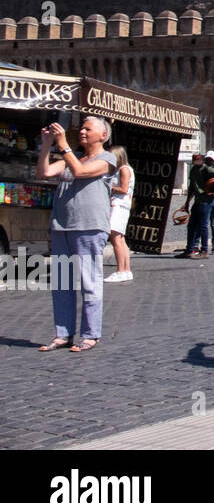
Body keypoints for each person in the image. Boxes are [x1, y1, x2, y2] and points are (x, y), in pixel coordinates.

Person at [37, 117, 117, 353]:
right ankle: (63, 334)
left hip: (89, 227)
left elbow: (81, 172)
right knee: (62, 284)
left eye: (87, 128)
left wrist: (63, 144)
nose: (82, 131)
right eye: (81, 127)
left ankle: (91, 334)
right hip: (62, 226)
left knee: (89, 282)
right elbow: (44, 172)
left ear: (103, 135)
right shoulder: (71, 158)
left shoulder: (107, 159)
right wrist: (46, 144)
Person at [181, 152, 214, 259]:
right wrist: (187, 203)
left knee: (203, 226)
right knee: (191, 225)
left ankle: (204, 250)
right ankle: (189, 250)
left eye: (199, 159)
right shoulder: (194, 170)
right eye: (195, 160)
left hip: (206, 201)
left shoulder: (207, 169)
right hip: (198, 201)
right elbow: (191, 187)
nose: (197, 161)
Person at [105, 145, 135, 284]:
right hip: (121, 206)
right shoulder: (124, 169)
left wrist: (108, 187)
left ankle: (120, 270)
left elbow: (123, 189)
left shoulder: (124, 170)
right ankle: (126, 270)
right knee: (121, 240)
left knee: (116, 239)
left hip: (118, 205)